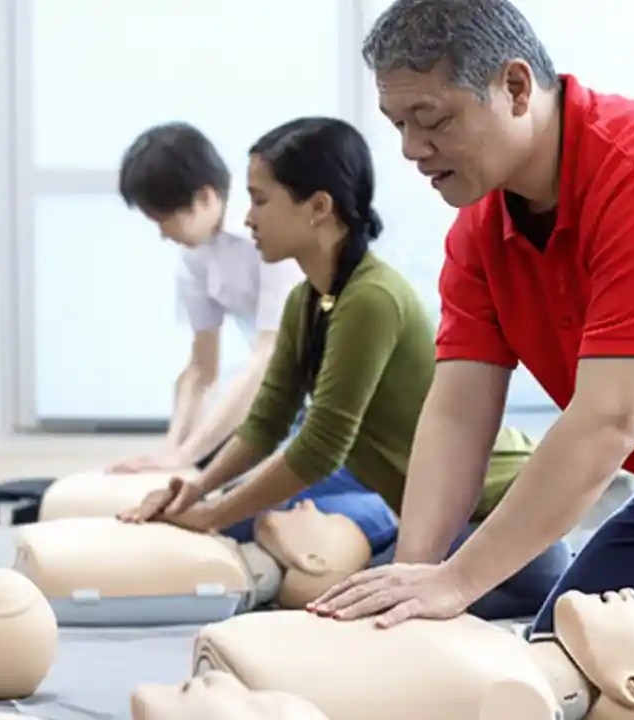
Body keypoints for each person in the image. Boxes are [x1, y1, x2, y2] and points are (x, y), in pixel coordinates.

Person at [310, 1, 634, 717]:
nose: (412, 149)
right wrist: (415, 578)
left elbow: (608, 421)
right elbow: (457, 412)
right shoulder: (481, 228)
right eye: (399, 126)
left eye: (433, 119)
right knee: (558, 661)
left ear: (513, 87)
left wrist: (461, 580)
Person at [119, 116, 570, 620]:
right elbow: (267, 423)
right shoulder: (307, 302)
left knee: (330, 596)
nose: (247, 219)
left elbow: (319, 447)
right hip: (444, 522)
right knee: (328, 587)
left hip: (502, 528)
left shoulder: (370, 298)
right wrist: (194, 490)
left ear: (318, 208)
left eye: (261, 200)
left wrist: (214, 516)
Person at [111, 122, 303, 472]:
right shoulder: (194, 254)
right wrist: (171, 450)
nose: (163, 234)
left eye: (165, 220)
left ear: (205, 197)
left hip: (325, 393)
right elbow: (202, 368)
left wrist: (186, 456)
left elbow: (270, 356)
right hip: (284, 396)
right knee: (206, 469)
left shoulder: (271, 228)